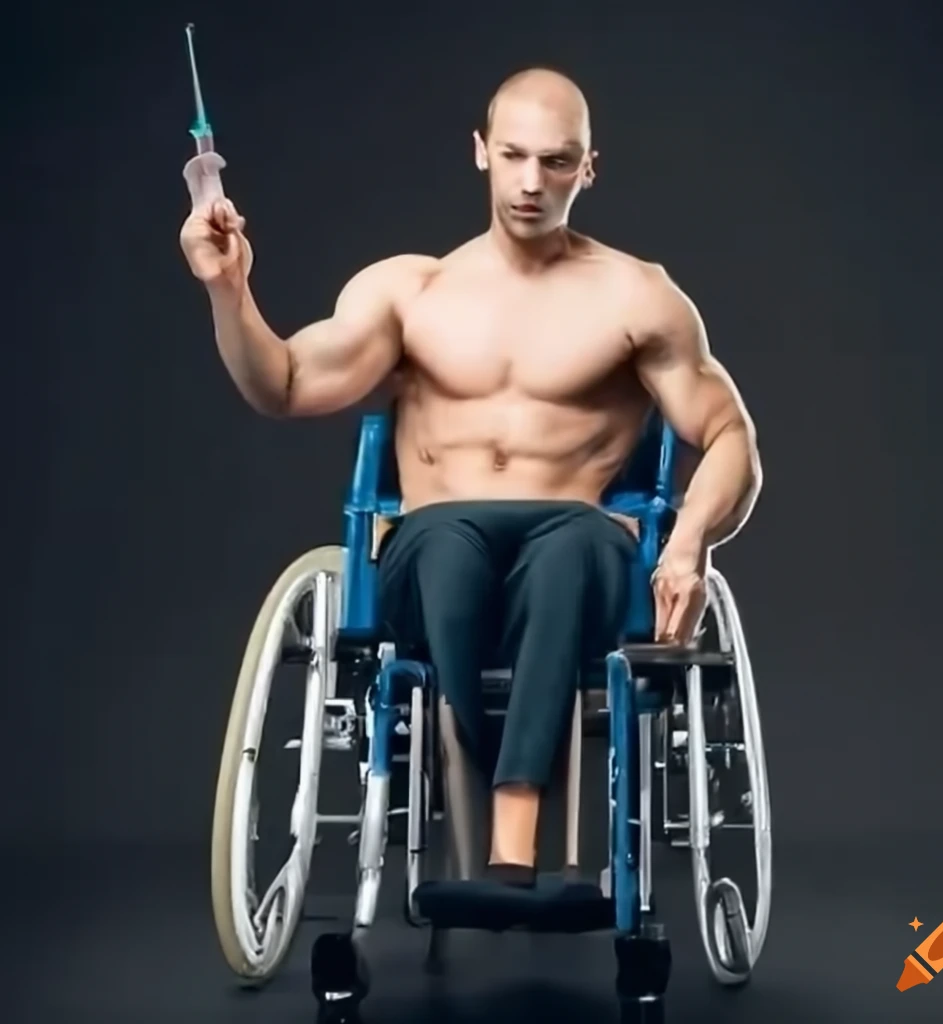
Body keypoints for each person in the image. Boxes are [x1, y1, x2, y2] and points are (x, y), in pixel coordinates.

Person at [180, 67, 762, 889]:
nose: (532, 183)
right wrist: (228, 290)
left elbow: (731, 434)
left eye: (557, 162)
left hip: (575, 536)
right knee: (445, 547)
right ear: (481, 152)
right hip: (438, 533)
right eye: (515, 155)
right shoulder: (410, 292)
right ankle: (470, 785)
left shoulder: (639, 296)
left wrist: (691, 540)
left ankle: (514, 833)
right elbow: (281, 383)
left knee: (572, 548)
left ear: (589, 168)